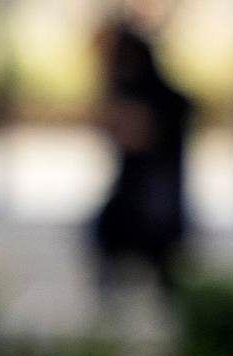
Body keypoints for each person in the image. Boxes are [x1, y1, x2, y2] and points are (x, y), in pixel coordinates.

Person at [89, 10, 194, 297]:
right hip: (143, 200)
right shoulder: (133, 87)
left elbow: (133, 133)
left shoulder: (150, 96)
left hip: (153, 204)